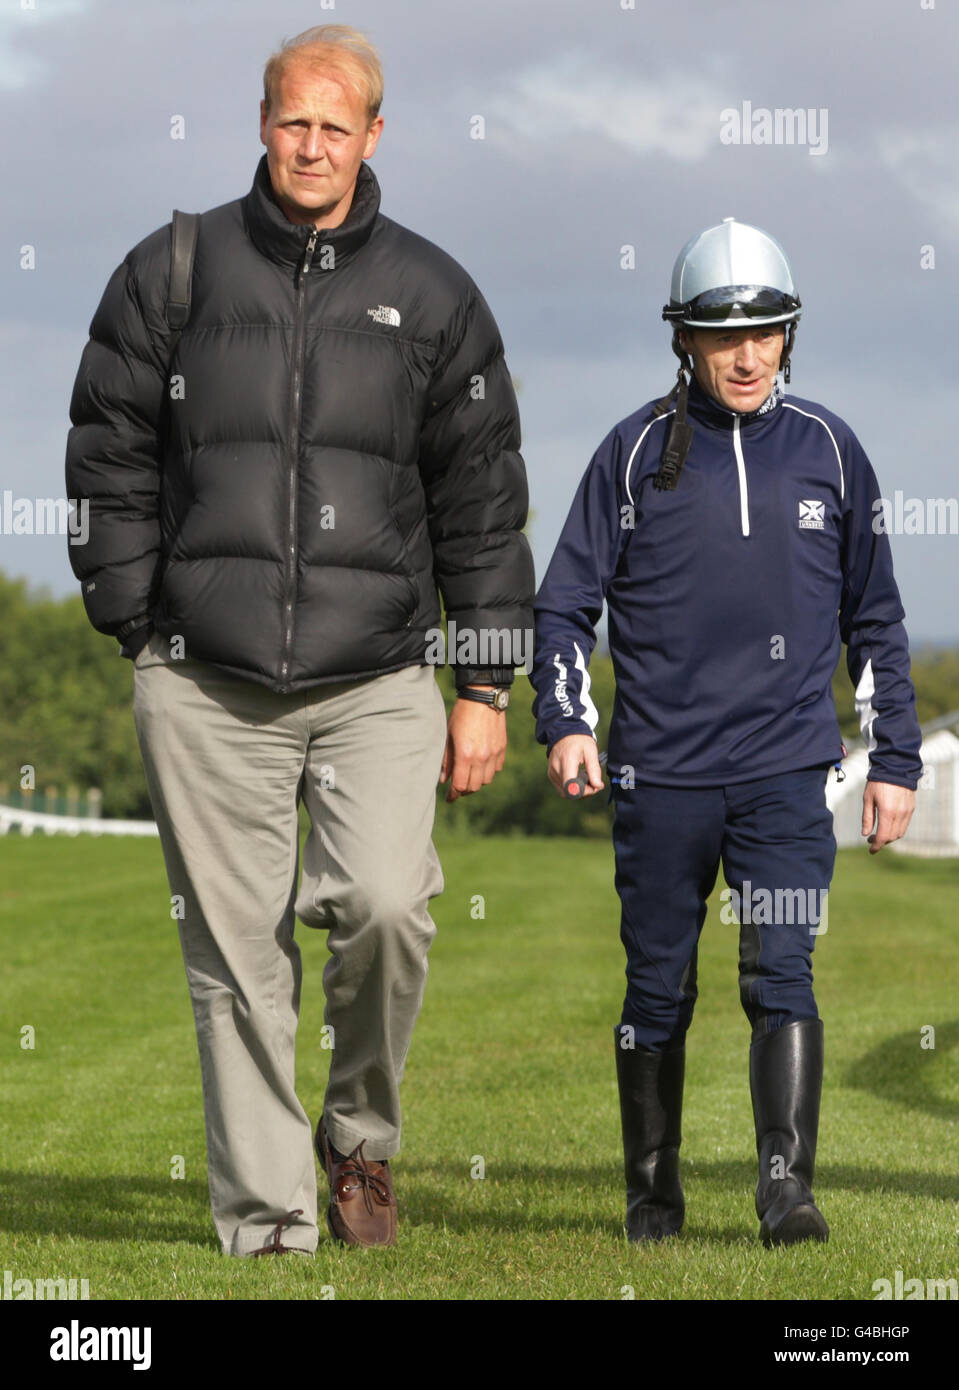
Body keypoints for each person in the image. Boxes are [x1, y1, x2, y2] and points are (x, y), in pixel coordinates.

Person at [65, 25, 533, 1255]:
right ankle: (269, 1221)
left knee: (385, 905)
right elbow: (107, 448)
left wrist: (484, 682)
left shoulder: (434, 294)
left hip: (378, 676)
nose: (311, 146)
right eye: (292, 122)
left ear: (374, 135)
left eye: (335, 126)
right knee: (235, 959)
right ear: (261, 124)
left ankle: (358, 1142)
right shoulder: (171, 272)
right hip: (204, 679)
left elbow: (483, 498)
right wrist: (135, 616)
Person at [530, 218, 921, 1246]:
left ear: (788, 335)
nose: (746, 356)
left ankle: (785, 1194)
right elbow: (562, 605)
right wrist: (565, 721)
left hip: (786, 774)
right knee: (657, 987)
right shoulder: (628, 455)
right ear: (683, 340)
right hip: (659, 777)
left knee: (781, 973)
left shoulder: (830, 450)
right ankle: (651, 1200)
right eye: (722, 336)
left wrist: (893, 758)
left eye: (764, 332)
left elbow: (875, 618)